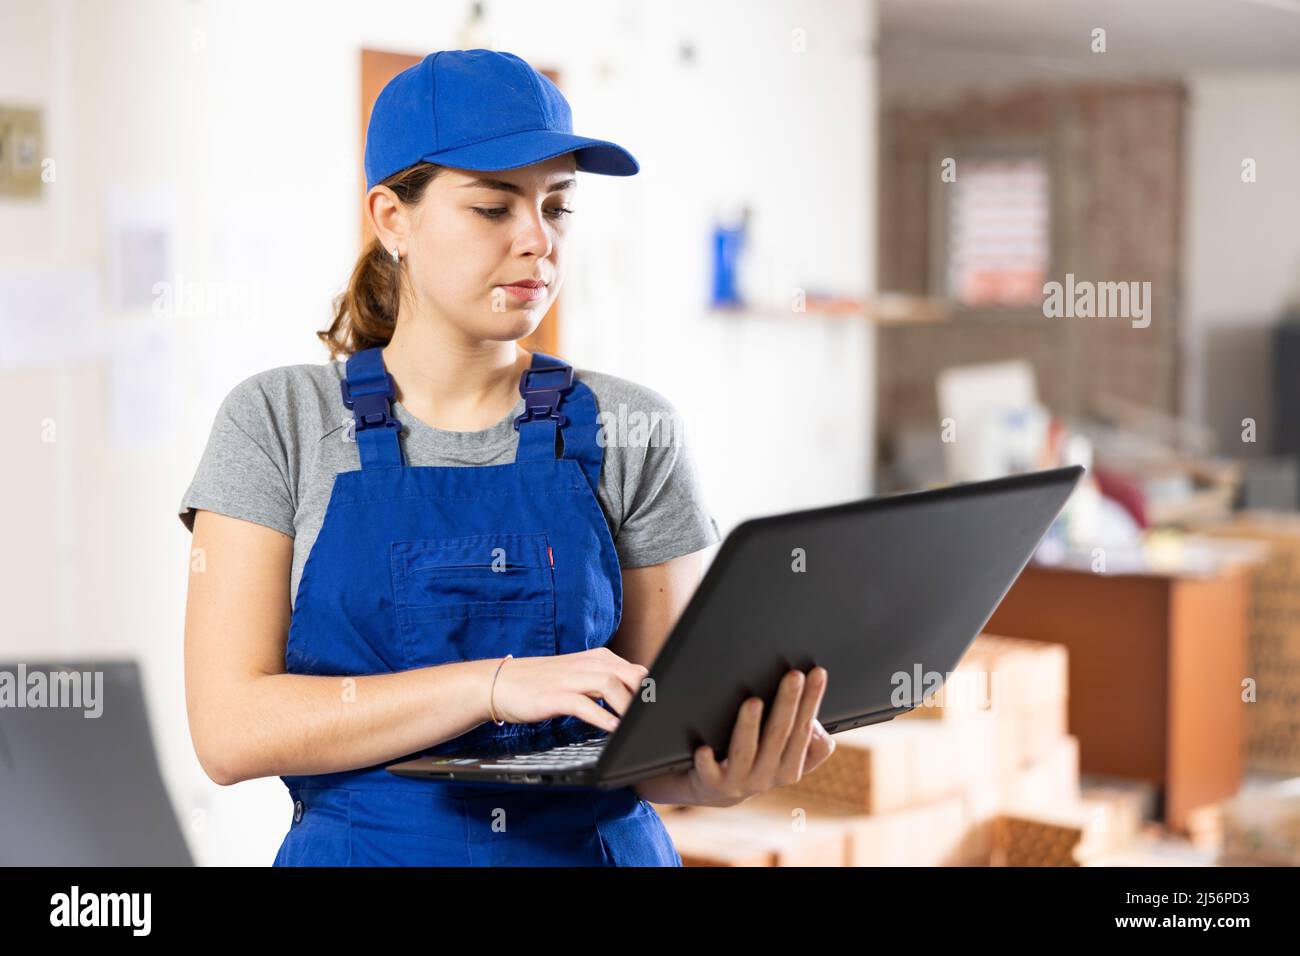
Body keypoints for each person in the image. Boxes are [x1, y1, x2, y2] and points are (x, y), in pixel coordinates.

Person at [180, 48, 833, 867]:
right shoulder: (276, 421)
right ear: (393, 219)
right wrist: (494, 684)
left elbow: (659, 748)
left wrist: (723, 775)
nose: (537, 241)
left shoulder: (632, 427)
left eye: (557, 207)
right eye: (494, 207)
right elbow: (231, 732)